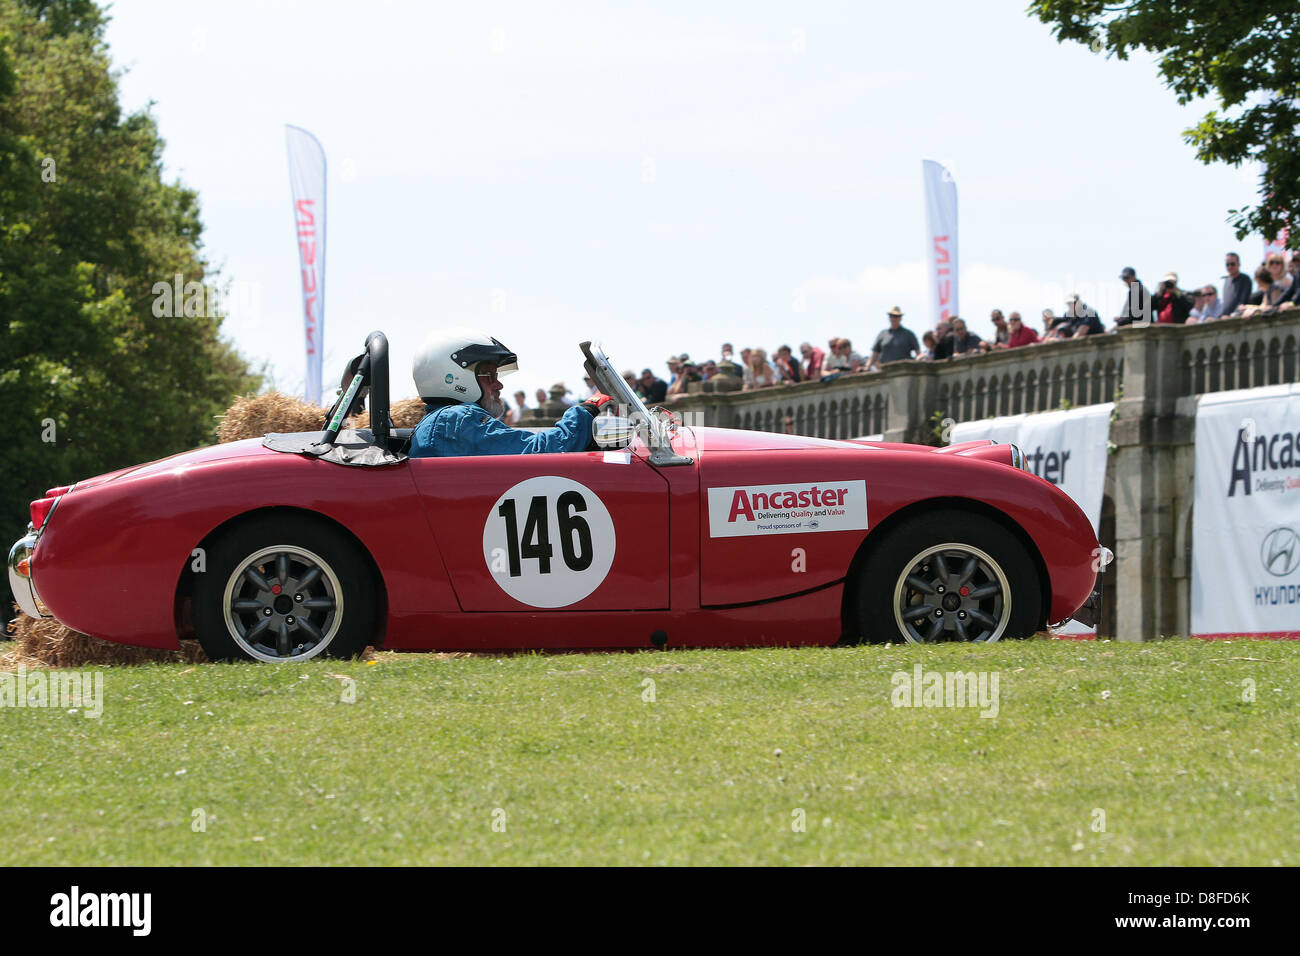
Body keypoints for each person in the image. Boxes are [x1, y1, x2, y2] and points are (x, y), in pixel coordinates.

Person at [409, 327, 612, 458]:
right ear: (452, 377)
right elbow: (537, 453)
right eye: (488, 375)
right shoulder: (454, 421)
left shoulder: (441, 424)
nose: (499, 386)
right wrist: (588, 410)